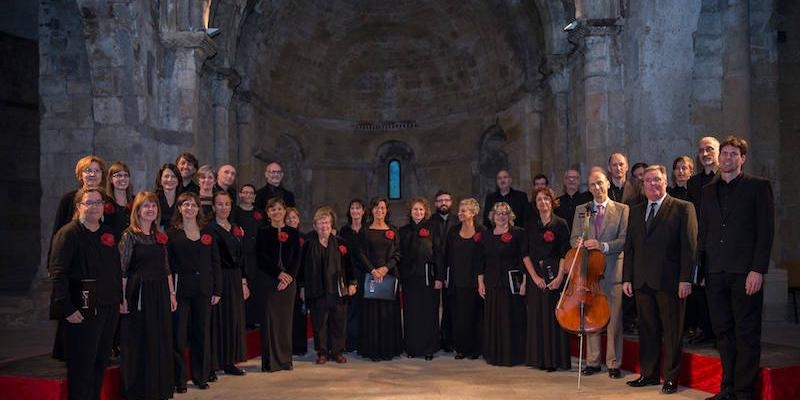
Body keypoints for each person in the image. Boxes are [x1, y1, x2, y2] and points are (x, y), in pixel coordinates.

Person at [699, 136, 774, 400]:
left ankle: (744, 392)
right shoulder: (709, 190)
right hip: (716, 272)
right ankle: (727, 389)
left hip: (745, 273)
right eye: (724, 153)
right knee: (723, 333)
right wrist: (703, 269)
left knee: (747, 333)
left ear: (742, 158)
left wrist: (758, 269)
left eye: (733, 154)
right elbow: (705, 232)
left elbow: (765, 233)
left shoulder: (758, 187)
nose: (727, 158)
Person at [622, 165, 698, 394]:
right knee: (648, 330)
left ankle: (671, 378)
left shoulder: (683, 208)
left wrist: (686, 279)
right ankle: (649, 374)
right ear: (642, 185)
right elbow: (631, 247)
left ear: (665, 181)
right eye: (648, 181)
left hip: (671, 283)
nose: (653, 184)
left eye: (657, 180)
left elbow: (690, 248)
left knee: (672, 331)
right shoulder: (635, 210)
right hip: (642, 282)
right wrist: (627, 278)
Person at [49, 187, 122, 400]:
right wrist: (67, 308)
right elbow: (58, 274)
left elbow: (115, 269)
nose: (94, 207)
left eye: (98, 203)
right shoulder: (68, 233)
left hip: (108, 307)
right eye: (88, 203)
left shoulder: (108, 233)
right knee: (82, 367)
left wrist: (118, 299)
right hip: (82, 310)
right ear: (78, 206)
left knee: (100, 364)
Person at [571, 170, 630, 379]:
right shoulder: (582, 209)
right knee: (592, 318)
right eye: (592, 185)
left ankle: (613, 363)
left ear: (607, 183)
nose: (596, 188)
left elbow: (624, 241)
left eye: (599, 183)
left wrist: (602, 245)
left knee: (614, 321)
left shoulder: (622, 210)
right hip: (590, 274)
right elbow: (573, 239)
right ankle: (593, 361)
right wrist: (577, 242)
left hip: (613, 271)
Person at [119, 191, 176, 400]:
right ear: (138, 210)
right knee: (140, 340)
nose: (150, 209)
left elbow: (166, 267)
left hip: (160, 291)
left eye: (153, 206)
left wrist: (172, 293)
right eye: (146, 206)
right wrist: (122, 298)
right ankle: (139, 390)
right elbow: (122, 270)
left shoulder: (158, 236)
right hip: (138, 293)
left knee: (159, 338)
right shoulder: (129, 235)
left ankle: (158, 388)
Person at [167, 192, 221, 392]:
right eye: (185, 205)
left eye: (193, 205)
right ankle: (179, 380)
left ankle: (200, 376)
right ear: (179, 209)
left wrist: (218, 289)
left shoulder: (207, 232)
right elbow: (168, 266)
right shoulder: (172, 233)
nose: (189, 208)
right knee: (179, 335)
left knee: (202, 334)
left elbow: (216, 262)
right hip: (181, 290)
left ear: (199, 208)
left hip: (204, 289)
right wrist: (170, 291)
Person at [299, 207, 357, 364]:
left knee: (338, 322)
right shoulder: (309, 244)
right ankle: (323, 352)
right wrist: (302, 288)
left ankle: (337, 351)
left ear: (331, 225)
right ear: (315, 225)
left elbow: (349, 265)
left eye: (326, 222)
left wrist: (352, 283)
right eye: (320, 223)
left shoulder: (340, 243)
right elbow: (302, 269)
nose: (324, 226)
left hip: (337, 289)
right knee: (320, 323)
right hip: (317, 290)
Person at [477, 202, 530, 366]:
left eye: (504, 213)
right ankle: (494, 354)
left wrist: (524, 282)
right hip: (492, 283)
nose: (501, 216)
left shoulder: (518, 233)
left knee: (512, 318)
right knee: (494, 320)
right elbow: (480, 261)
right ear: (492, 216)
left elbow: (524, 259)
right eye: (498, 213)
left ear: (510, 216)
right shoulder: (486, 235)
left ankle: (513, 356)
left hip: (512, 283)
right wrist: (480, 282)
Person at [524, 187, 571, 372]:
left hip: (554, 276)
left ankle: (554, 360)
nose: (543, 202)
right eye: (539, 200)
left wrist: (560, 277)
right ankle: (539, 359)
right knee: (537, 317)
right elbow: (525, 254)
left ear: (552, 202)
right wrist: (534, 277)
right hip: (536, 277)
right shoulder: (529, 225)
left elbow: (564, 254)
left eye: (546, 199)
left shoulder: (561, 224)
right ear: (535, 204)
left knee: (554, 318)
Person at [256, 197, 301, 372]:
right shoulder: (263, 231)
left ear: (285, 211)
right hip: (269, 281)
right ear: (268, 213)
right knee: (270, 322)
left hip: (288, 283)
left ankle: (285, 360)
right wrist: (278, 274)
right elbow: (261, 258)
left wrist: (289, 276)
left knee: (285, 322)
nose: (276, 212)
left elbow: (297, 257)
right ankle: (270, 362)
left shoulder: (293, 232)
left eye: (279, 209)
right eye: (272, 209)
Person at [208, 191, 250, 378]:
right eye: (220, 204)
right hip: (217, 279)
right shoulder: (208, 229)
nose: (223, 207)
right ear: (213, 207)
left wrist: (243, 282)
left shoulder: (236, 229)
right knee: (216, 321)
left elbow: (242, 259)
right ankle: (212, 364)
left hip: (234, 279)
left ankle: (228, 361)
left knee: (233, 319)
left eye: (227, 204)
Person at [356, 197, 403, 361]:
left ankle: (388, 349)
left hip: (389, 277)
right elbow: (360, 253)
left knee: (387, 314)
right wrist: (373, 270)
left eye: (382, 208)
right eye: (376, 207)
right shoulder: (364, 231)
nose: (379, 210)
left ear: (387, 210)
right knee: (372, 314)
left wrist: (384, 269)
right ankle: (373, 350)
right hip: (371, 277)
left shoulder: (393, 231)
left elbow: (398, 254)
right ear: (372, 210)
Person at [686, 136, 721, 345]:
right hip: (699, 242)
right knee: (699, 289)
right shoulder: (693, 182)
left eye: (709, 149)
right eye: (701, 151)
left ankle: (720, 333)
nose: (705, 154)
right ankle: (706, 329)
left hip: (718, 243)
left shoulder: (723, 178)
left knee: (717, 290)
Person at [399, 197, 442, 360]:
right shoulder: (403, 231)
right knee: (411, 313)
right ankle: (412, 348)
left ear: (426, 212)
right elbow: (401, 256)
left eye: (421, 210)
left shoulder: (433, 227)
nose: (418, 212)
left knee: (429, 313)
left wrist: (439, 277)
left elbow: (438, 252)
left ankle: (429, 348)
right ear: (410, 211)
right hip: (410, 279)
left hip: (428, 277)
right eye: (415, 209)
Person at [444, 198, 486, 360]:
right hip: (457, 280)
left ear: (473, 213)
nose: (460, 213)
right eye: (460, 210)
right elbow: (447, 256)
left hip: (475, 280)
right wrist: (446, 277)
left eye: (464, 210)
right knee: (459, 316)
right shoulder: (453, 231)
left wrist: (482, 280)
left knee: (475, 315)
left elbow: (483, 258)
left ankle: (475, 349)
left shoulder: (481, 231)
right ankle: (461, 348)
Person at [606, 153, 643, 335]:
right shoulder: (605, 189)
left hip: (632, 240)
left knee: (629, 281)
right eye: (614, 165)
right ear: (609, 168)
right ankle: (610, 320)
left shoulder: (637, 186)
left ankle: (629, 320)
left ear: (627, 167)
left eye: (621, 164)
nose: (618, 168)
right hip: (611, 243)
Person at [233, 184, 266, 328]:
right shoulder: (235, 211)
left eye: (251, 193)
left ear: (254, 197)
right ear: (240, 195)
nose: (247, 195)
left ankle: (254, 318)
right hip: (242, 254)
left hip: (257, 255)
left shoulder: (260, 213)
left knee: (256, 286)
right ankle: (243, 320)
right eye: (244, 192)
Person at [338, 199, 368, 352]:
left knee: (366, 308)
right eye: (352, 208)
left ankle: (364, 341)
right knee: (351, 309)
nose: (355, 211)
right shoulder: (344, 231)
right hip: (351, 274)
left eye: (358, 208)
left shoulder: (368, 229)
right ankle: (351, 342)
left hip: (367, 273)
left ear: (363, 211)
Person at [430, 190, 457, 352]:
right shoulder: (430, 221)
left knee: (450, 306)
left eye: (446, 200)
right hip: (434, 268)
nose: (443, 203)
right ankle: (434, 338)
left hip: (453, 268)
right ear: (435, 204)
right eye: (440, 201)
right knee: (433, 306)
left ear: (451, 202)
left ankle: (449, 339)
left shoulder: (456, 220)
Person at [285, 206, 309, 356]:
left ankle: (299, 347)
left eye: (294, 217)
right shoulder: (280, 236)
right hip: (285, 280)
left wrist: (303, 286)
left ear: (299, 220)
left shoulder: (304, 238)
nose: (291, 220)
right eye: (288, 218)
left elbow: (306, 264)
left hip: (300, 281)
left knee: (299, 315)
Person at [553, 167, 592, 232]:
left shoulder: (587, 200)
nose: (571, 180)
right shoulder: (557, 202)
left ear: (579, 181)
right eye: (568, 177)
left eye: (575, 178)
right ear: (564, 181)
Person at [105, 161, 133, 240]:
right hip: (112, 247)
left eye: (126, 175)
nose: (123, 178)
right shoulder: (104, 202)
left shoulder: (135, 200)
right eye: (118, 175)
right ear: (111, 179)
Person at [154, 163, 182, 229]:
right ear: (160, 180)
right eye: (166, 176)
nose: (170, 180)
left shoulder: (184, 199)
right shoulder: (153, 199)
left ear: (178, 180)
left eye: (173, 176)